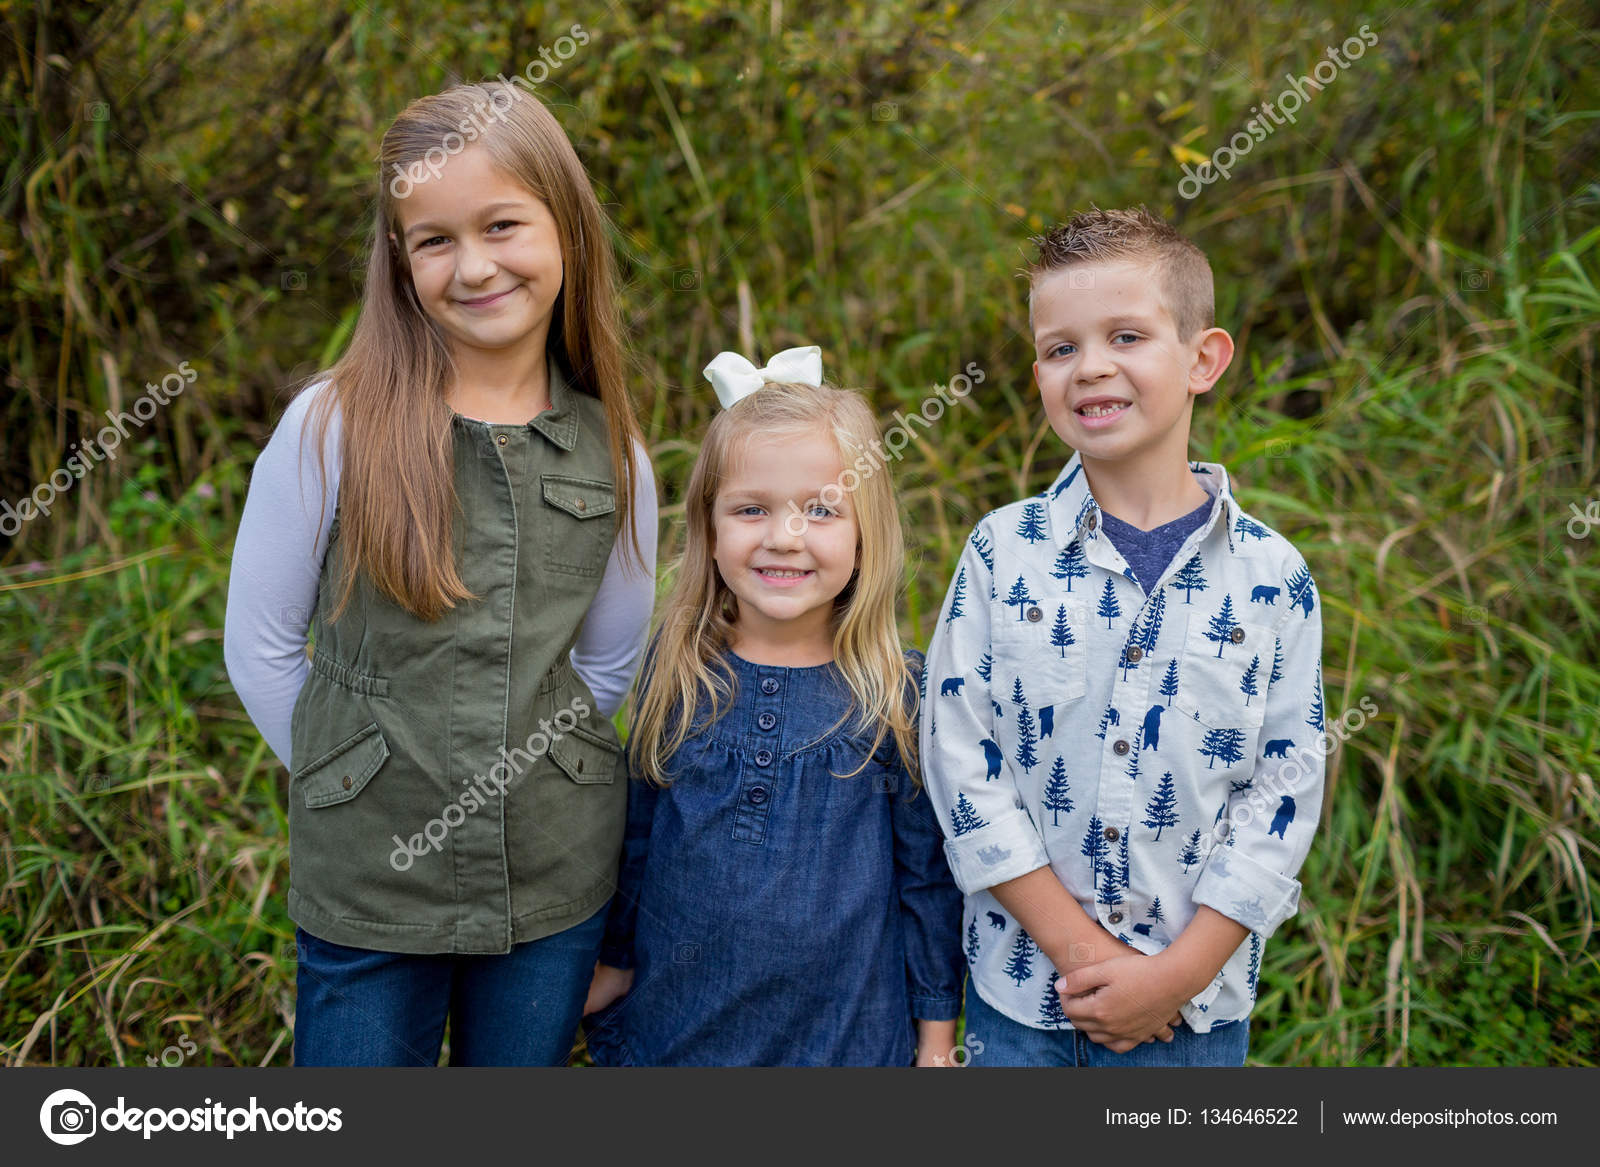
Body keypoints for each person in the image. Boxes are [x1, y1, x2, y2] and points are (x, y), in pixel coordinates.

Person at [222, 79, 658, 1066]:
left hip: (551, 871)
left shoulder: (613, 450)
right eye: (434, 240)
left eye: (503, 225)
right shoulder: (331, 429)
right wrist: (353, 777)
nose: (474, 267)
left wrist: (527, 775)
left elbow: (604, 668)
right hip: (370, 879)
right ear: (398, 259)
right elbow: (258, 648)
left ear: (566, 230)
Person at [921, 205, 1324, 1066]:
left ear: (1202, 359)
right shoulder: (1002, 552)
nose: (1091, 367)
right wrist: (1082, 953)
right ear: (1037, 374)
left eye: (1127, 336)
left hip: (1191, 1019)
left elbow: (1283, 789)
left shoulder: (1270, 577)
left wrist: (1177, 973)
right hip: (1022, 999)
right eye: (1061, 348)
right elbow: (962, 760)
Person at [581, 347, 964, 1065]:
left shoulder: (893, 690)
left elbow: (926, 881)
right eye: (751, 508)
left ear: (864, 531)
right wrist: (615, 961)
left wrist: (937, 1036)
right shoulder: (681, 667)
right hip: (680, 1037)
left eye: (821, 510)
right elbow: (636, 836)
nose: (784, 537)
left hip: (844, 1043)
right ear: (710, 525)